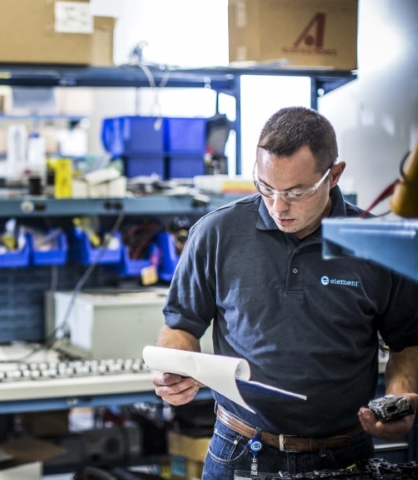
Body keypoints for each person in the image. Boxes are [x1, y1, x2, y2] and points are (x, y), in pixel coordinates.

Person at [152, 106, 418, 479]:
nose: (278, 207)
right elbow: (181, 325)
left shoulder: (378, 245)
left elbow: (407, 342)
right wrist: (174, 368)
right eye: (265, 187)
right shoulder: (216, 233)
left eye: (296, 192)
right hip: (240, 449)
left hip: (344, 453)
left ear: (334, 175)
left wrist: (399, 398)